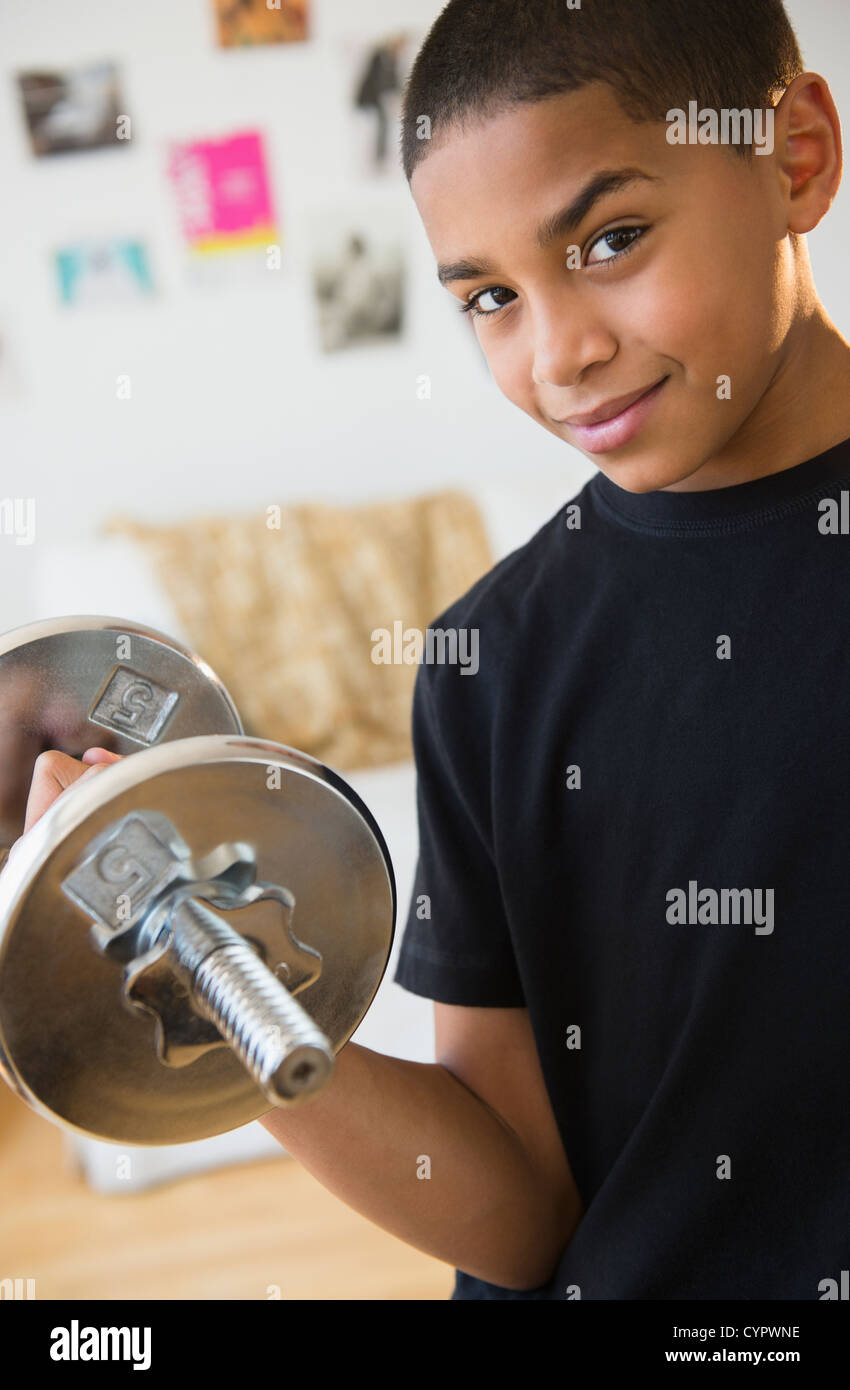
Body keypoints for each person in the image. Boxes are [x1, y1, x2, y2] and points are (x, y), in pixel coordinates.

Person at [7, 0, 850, 1300]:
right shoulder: (483, 661)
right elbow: (514, 1215)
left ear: (792, 157)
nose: (557, 351)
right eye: (490, 298)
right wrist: (214, 974)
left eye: (611, 239)